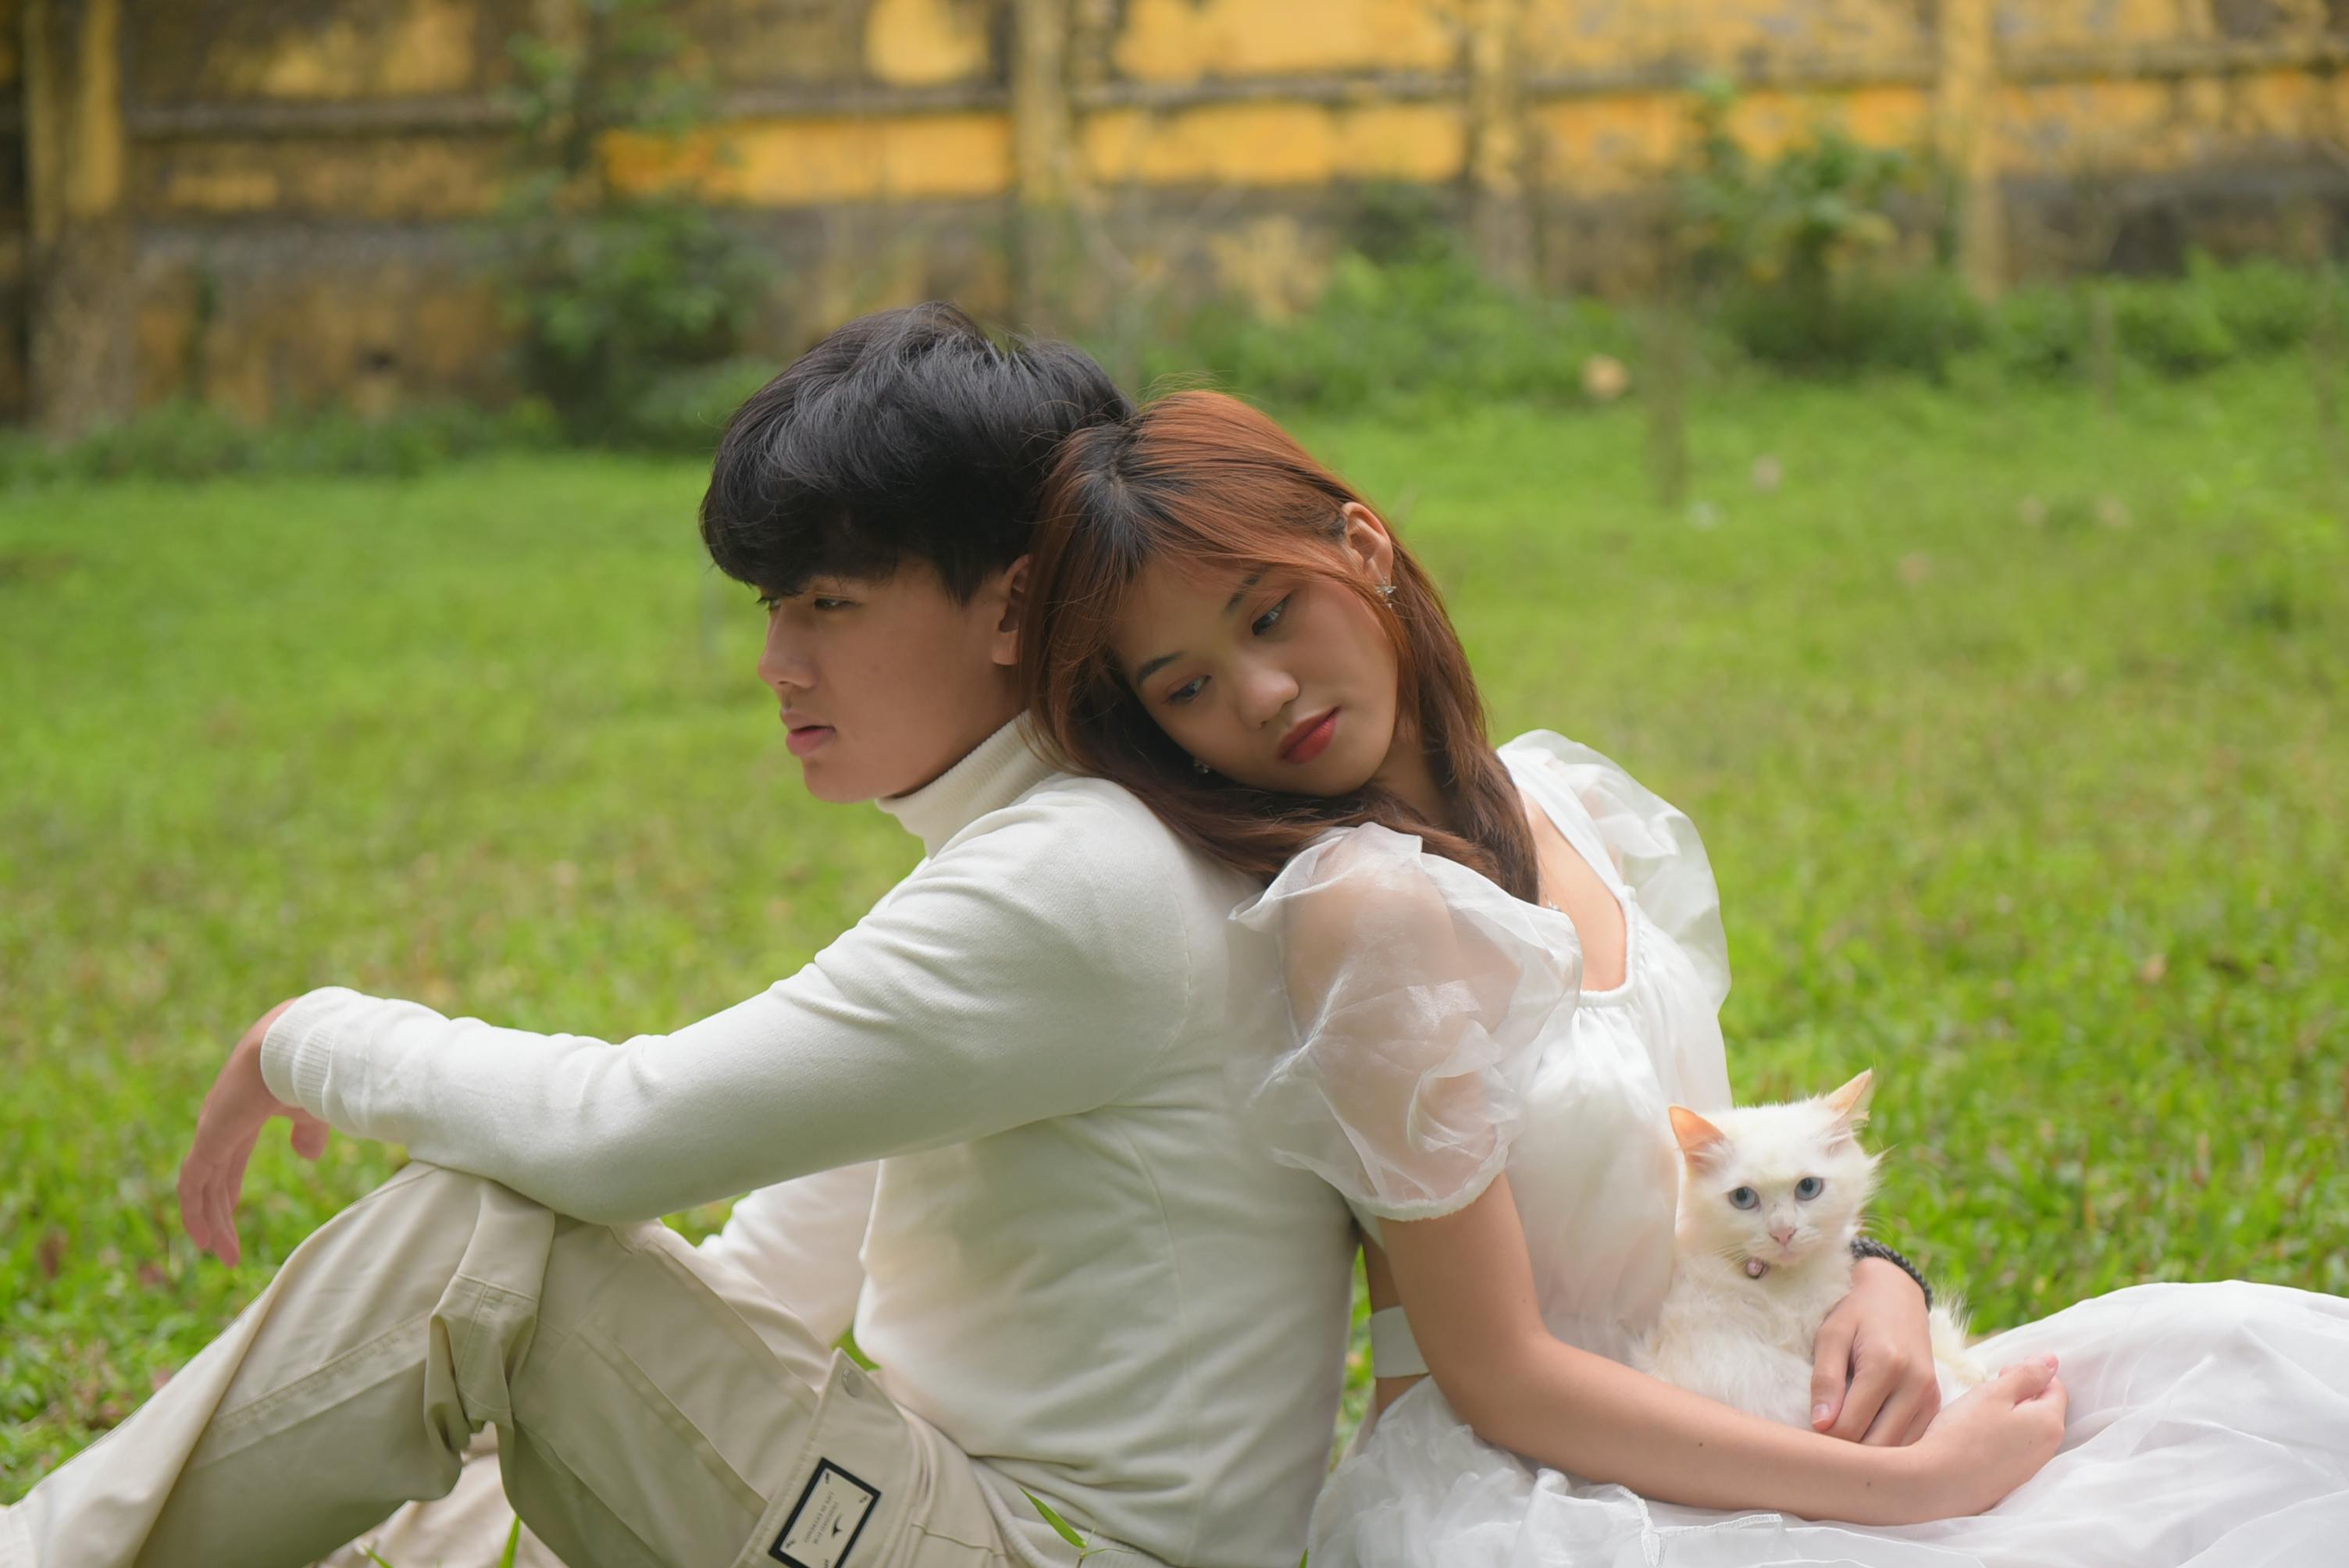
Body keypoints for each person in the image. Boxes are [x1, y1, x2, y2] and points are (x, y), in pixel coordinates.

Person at [0, 307, 1358, 1568]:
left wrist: (311, 1040)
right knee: (474, 1338)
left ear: (1010, 606)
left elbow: (615, 1138)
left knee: (480, 1240)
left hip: (1039, 1548)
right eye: (773, 607)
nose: (779, 660)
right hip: (953, 1511)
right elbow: (766, 1287)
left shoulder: (1080, 879)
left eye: (828, 602)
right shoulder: (1052, 855)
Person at [1015, 387, 2349, 1566]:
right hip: (1555, 1489)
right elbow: (1504, 1379)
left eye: (1271, 612)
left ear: (1361, 547)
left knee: (2253, 1376)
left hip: (1747, 1383)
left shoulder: (1558, 798)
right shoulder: (1364, 913)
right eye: (1188, 687)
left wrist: (1871, 1273)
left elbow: (1692, 1171)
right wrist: (1910, 1492)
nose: (1259, 692)